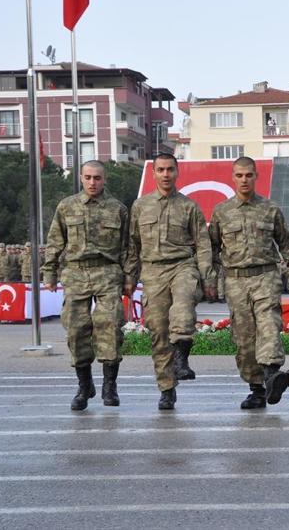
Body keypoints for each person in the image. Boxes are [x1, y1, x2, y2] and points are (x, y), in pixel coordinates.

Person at [124, 153, 217, 410]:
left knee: (184, 306)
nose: (166, 175)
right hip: (153, 272)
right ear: (154, 173)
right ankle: (167, 388)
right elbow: (132, 245)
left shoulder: (189, 207)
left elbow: (203, 245)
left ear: (177, 173)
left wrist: (207, 277)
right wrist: (130, 277)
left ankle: (182, 360)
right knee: (158, 331)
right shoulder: (140, 206)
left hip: (182, 266)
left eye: (170, 170)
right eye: (161, 170)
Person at [209, 156, 289, 409]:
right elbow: (212, 248)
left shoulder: (270, 209)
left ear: (256, 176)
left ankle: (271, 377)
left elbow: (286, 245)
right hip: (236, 281)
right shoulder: (221, 212)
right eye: (239, 175)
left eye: (248, 175)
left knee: (269, 326)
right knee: (244, 339)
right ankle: (257, 389)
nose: (244, 180)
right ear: (232, 177)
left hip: (265, 277)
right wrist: (212, 278)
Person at [42, 161, 129, 410]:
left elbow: (127, 248)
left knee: (110, 327)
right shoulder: (67, 206)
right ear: (81, 178)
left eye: (98, 178)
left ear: (105, 179)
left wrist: (130, 277)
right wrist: (49, 272)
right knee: (76, 330)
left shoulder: (118, 209)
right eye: (88, 177)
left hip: (107, 272)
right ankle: (84, 386)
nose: (93, 182)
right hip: (76, 273)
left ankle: (110, 387)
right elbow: (55, 240)